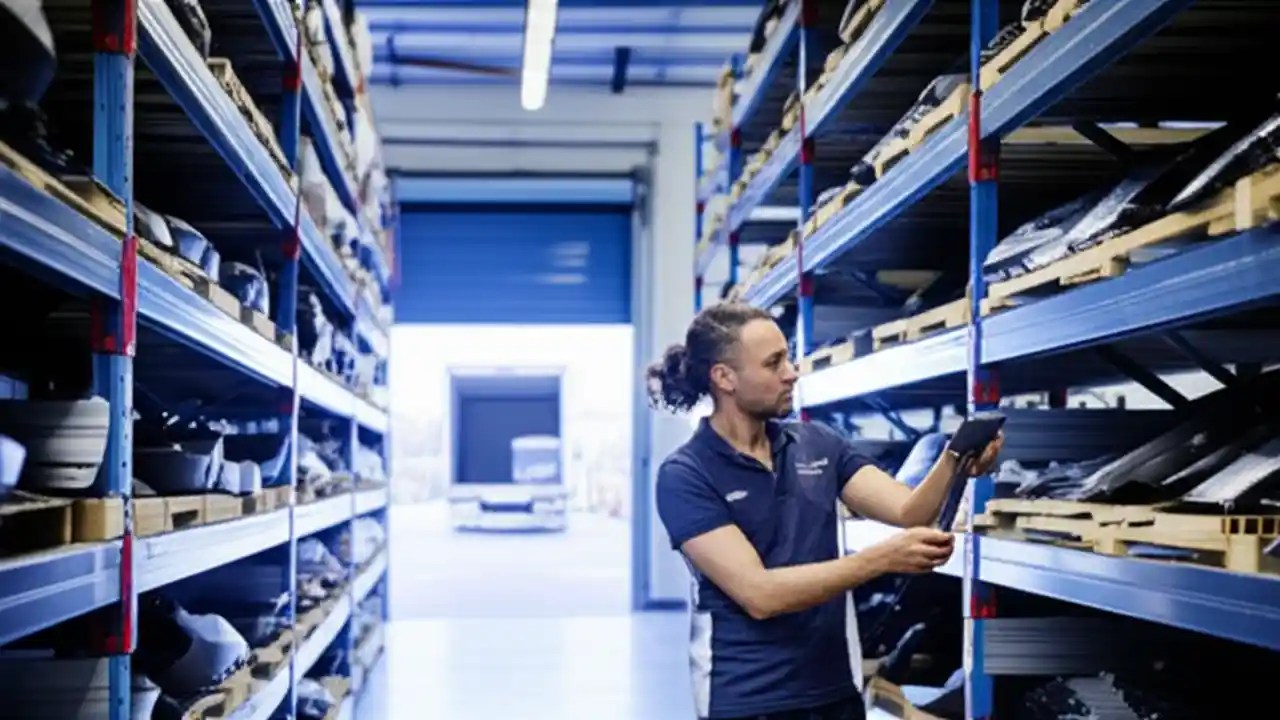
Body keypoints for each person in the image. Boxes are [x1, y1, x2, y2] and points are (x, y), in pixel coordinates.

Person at [646, 302, 1002, 720]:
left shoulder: (816, 444)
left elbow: (908, 511)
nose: (791, 372)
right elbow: (760, 594)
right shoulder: (685, 474)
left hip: (834, 689)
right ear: (724, 378)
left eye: (789, 356)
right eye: (774, 362)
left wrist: (955, 461)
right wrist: (883, 558)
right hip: (746, 697)